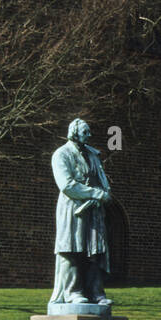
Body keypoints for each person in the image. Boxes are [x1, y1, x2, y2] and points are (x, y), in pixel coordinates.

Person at [48, 118, 112, 307]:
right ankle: (72, 292)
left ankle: (96, 293)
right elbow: (67, 185)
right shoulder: (61, 154)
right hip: (73, 209)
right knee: (72, 249)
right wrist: (95, 193)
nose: (89, 135)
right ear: (74, 132)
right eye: (85, 132)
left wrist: (103, 193)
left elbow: (101, 179)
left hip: (94, 209)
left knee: (95, 250)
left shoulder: (93, 155)